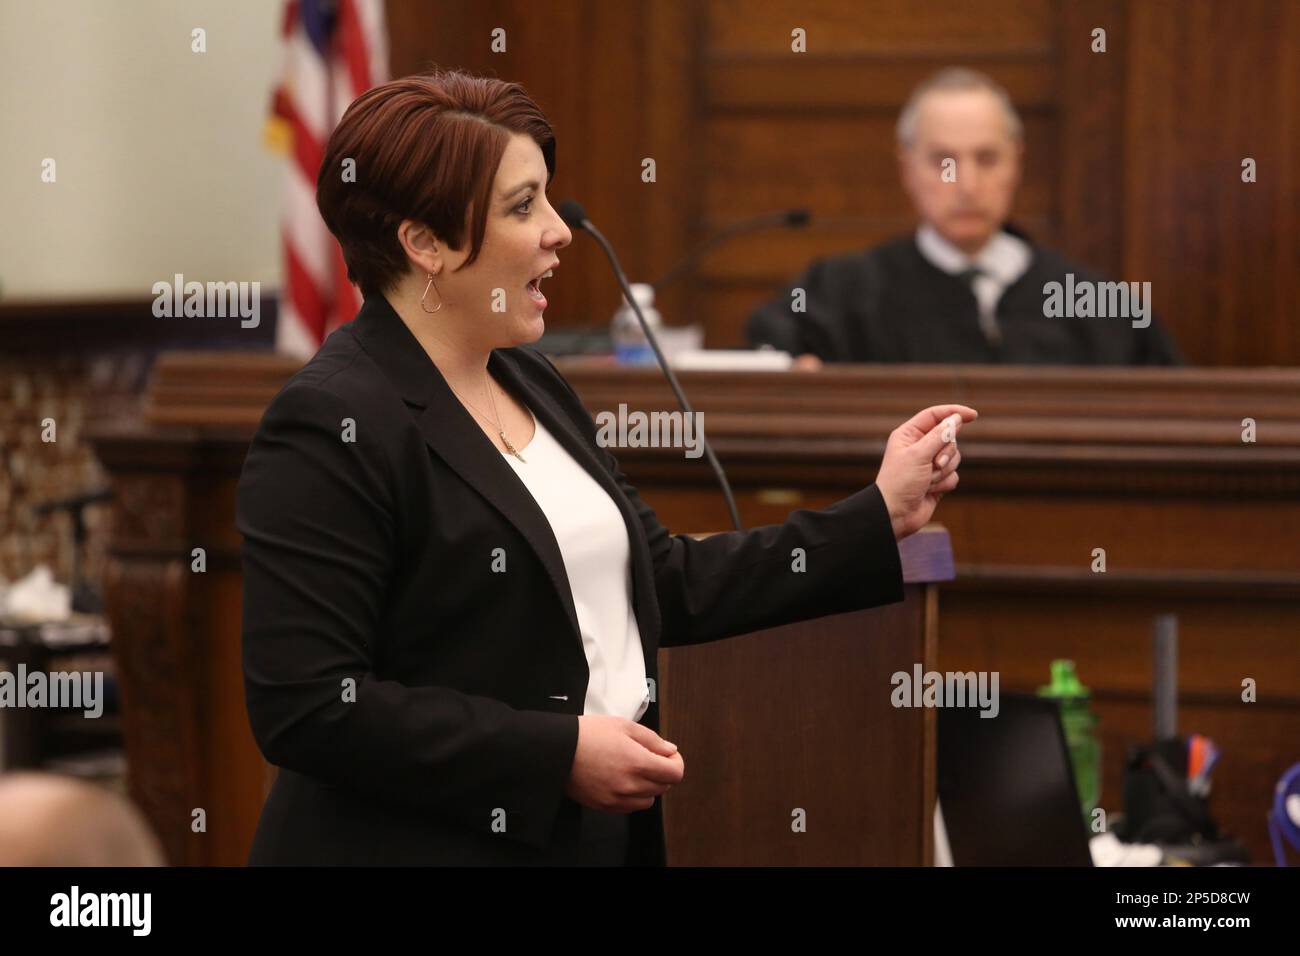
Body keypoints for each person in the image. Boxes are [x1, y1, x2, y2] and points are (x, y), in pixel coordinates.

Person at [237, 69, 975, 866]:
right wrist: (555, 754)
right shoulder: (333, 421)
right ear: (426, 245)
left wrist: (877, 514)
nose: (560, 230)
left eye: (548, 199)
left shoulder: (531, 378)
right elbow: (308, 707)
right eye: (523, 207)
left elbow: (661, 582)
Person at [748, 67, 1183, 368]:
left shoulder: (1095, 301)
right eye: (943, 160)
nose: (968, 183)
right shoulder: (841, 292)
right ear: (906, 169)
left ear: (1017, 163)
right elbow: (763, 355)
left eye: (988, 158)